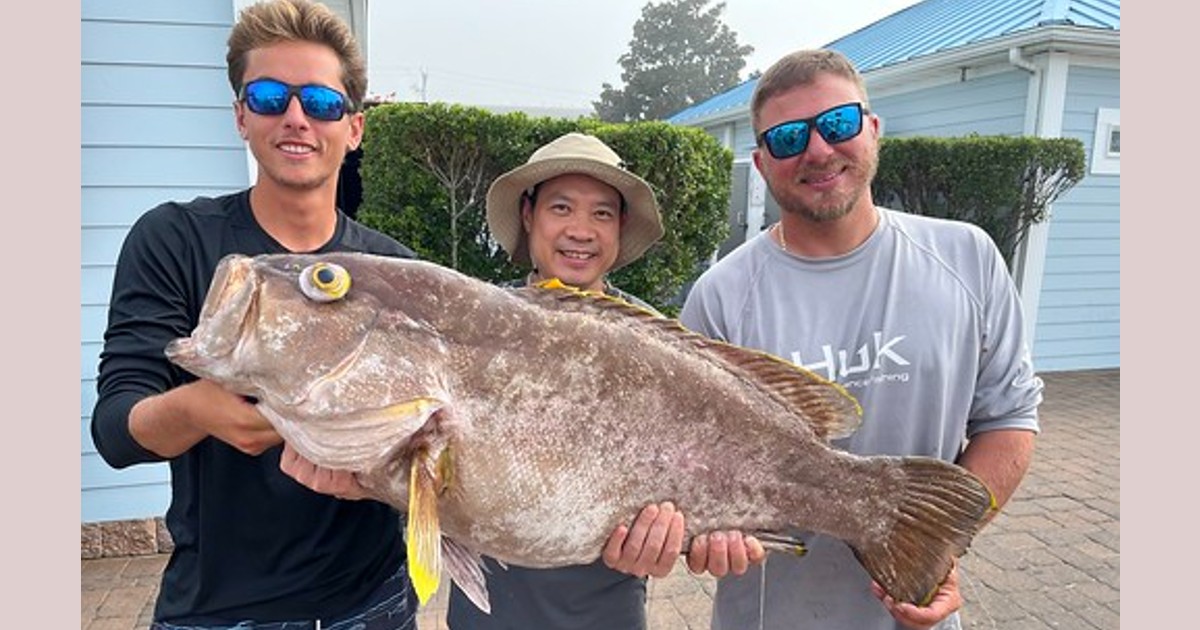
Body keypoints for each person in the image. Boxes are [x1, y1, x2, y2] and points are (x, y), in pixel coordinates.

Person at [679, 49, 1043, 630]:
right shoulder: (720, 296)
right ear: (762, 163)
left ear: (873, 129)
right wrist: (702, 536)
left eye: (838, 122)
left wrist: (938, 547)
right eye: (788, 137)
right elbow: (694, 468)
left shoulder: (967, 258)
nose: (818, 150)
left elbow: (1009, 421)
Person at [90, 1, 418, 627]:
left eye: (320, 103)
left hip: (374, 603)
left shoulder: (393, 271)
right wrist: (195, 410)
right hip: (219, 611)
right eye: (270, 97)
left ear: (354, 127)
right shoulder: (175, 241)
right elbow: (114, 429)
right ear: (241, 115)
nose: (296, 118)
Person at [446, 132, 763, 629]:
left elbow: (704, 471)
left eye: (601, 213)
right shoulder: (476, 325)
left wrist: (703, 536)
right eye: (561, 208)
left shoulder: (658, 349)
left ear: (620, 227)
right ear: (528, 215)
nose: (581, 230)